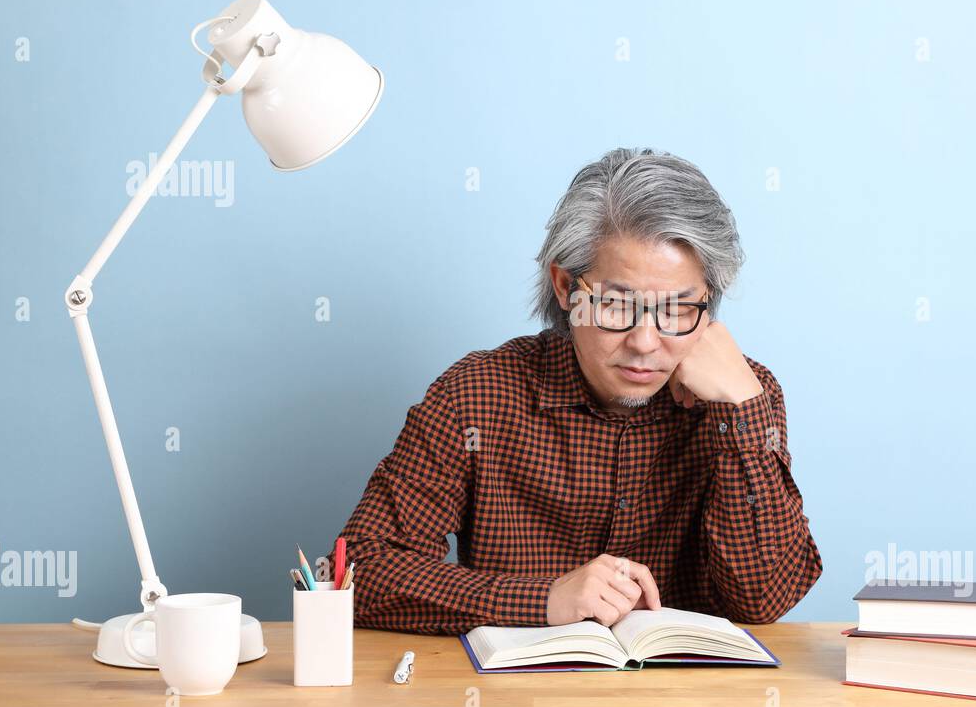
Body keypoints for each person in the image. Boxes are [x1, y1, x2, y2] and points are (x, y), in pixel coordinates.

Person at [330, 147, 823, 634]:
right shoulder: (476, 395)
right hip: (517, 704)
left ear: (707, 303)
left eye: (677, 310)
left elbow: (764, 599)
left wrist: (742, 412)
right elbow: (362, 571)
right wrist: (543, 599)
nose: (645, 343)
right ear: (566, 288)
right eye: (614, 304)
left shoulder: (740, 395)